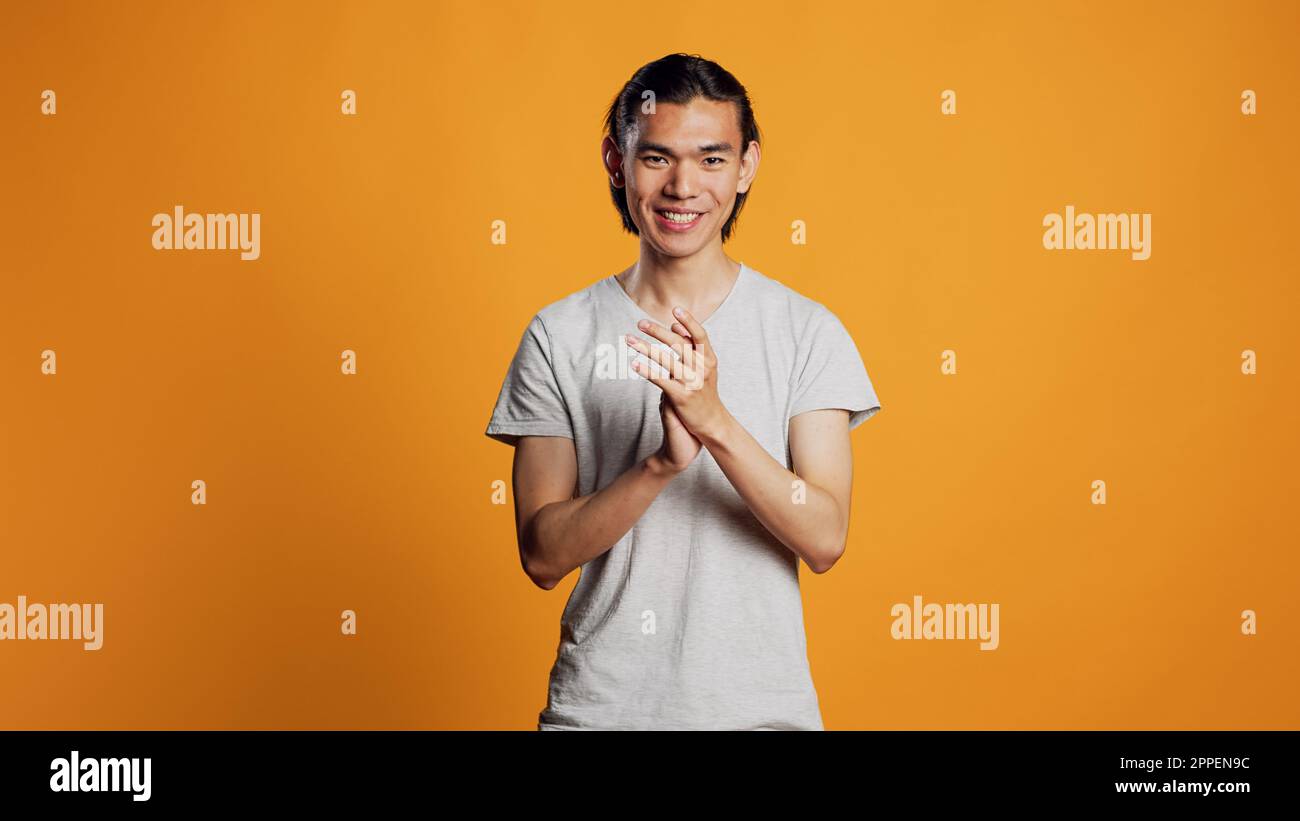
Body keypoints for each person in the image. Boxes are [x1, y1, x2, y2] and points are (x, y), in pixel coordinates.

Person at [485, 52, 882, 730]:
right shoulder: (559, 334)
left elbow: (824, 537)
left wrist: (715, 424)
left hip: (761, 714)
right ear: (617, 160)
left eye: (711, 159)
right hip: (602, 712)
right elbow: (542, 554)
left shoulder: (807, 330)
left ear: (747, 165)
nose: (682, 187)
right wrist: (660, 465)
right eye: (657, 157)